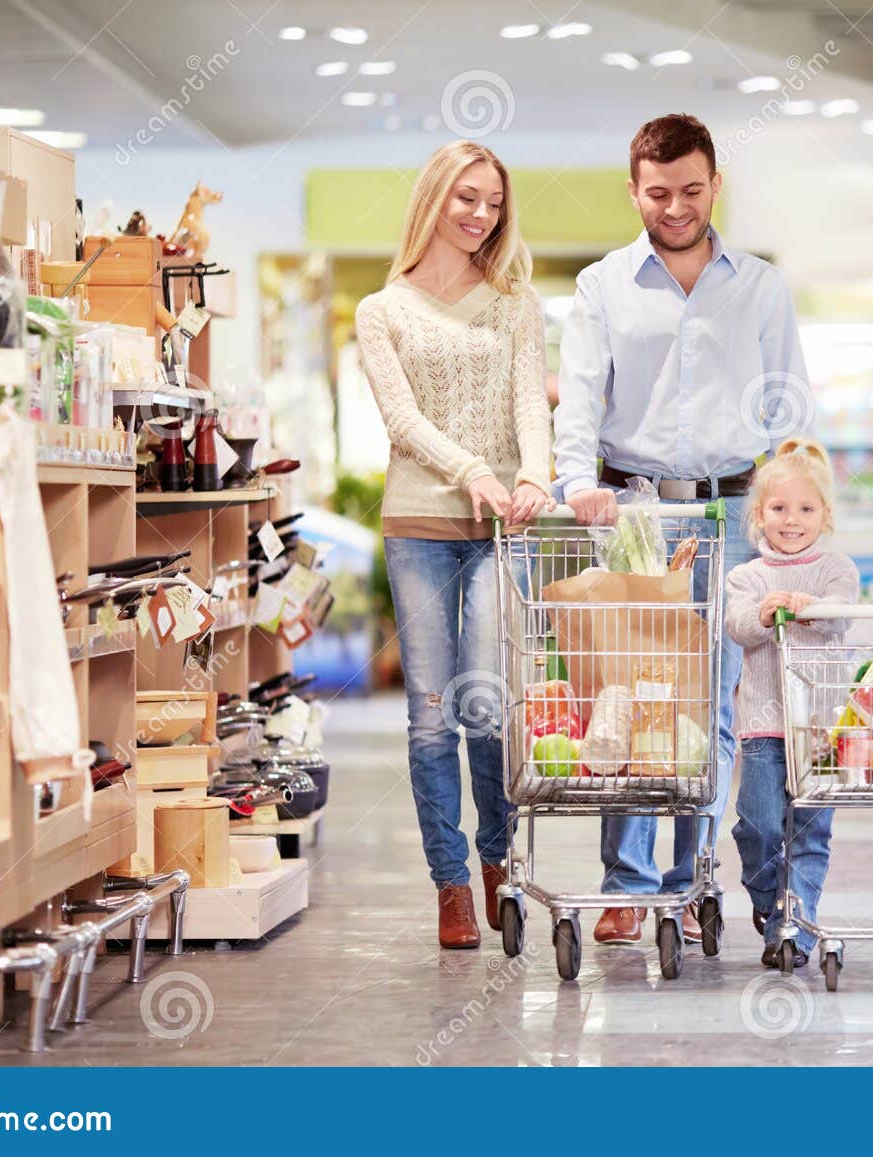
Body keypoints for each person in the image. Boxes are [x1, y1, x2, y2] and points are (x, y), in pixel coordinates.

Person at [552, 113, 811, 947]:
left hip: (737, 512)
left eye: (690, 190)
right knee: (625, 695)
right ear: (633, 189)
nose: (674, 207)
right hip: (634, 511)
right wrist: (577, 483)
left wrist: (789, 509)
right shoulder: (602, 286)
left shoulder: (762, 286)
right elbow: (581, 394)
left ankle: (690, 877)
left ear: (714, 185)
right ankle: (625, 883)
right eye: (657, 193)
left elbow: (787, 404)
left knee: (714, 704)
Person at [355, 140, 554, 950]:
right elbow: (401, 420)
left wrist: (534, 475)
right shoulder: (383, 310)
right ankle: (450, 886)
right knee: (431, 715)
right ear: (435, 197)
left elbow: (529, 405)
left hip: (502, 527)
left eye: (493, 202)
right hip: (420, 526)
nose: (480, 214)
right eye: (466, 197)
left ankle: (499, 862)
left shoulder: (515, 303)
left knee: (487, 708)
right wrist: (471, 468)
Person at [723, 439, 860, 970]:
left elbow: (842, 614)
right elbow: (737, 625)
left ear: (824, 516)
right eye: (779, 509)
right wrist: (764, 612)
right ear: (759, 515)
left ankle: (795, 930)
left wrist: (811, 608)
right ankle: (769, 902)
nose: (791, 520)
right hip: (763, 725)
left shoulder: (835, 570)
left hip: (820, 728)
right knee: (757, 824)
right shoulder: (749, 577)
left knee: (810, 831)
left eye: (805, 509)